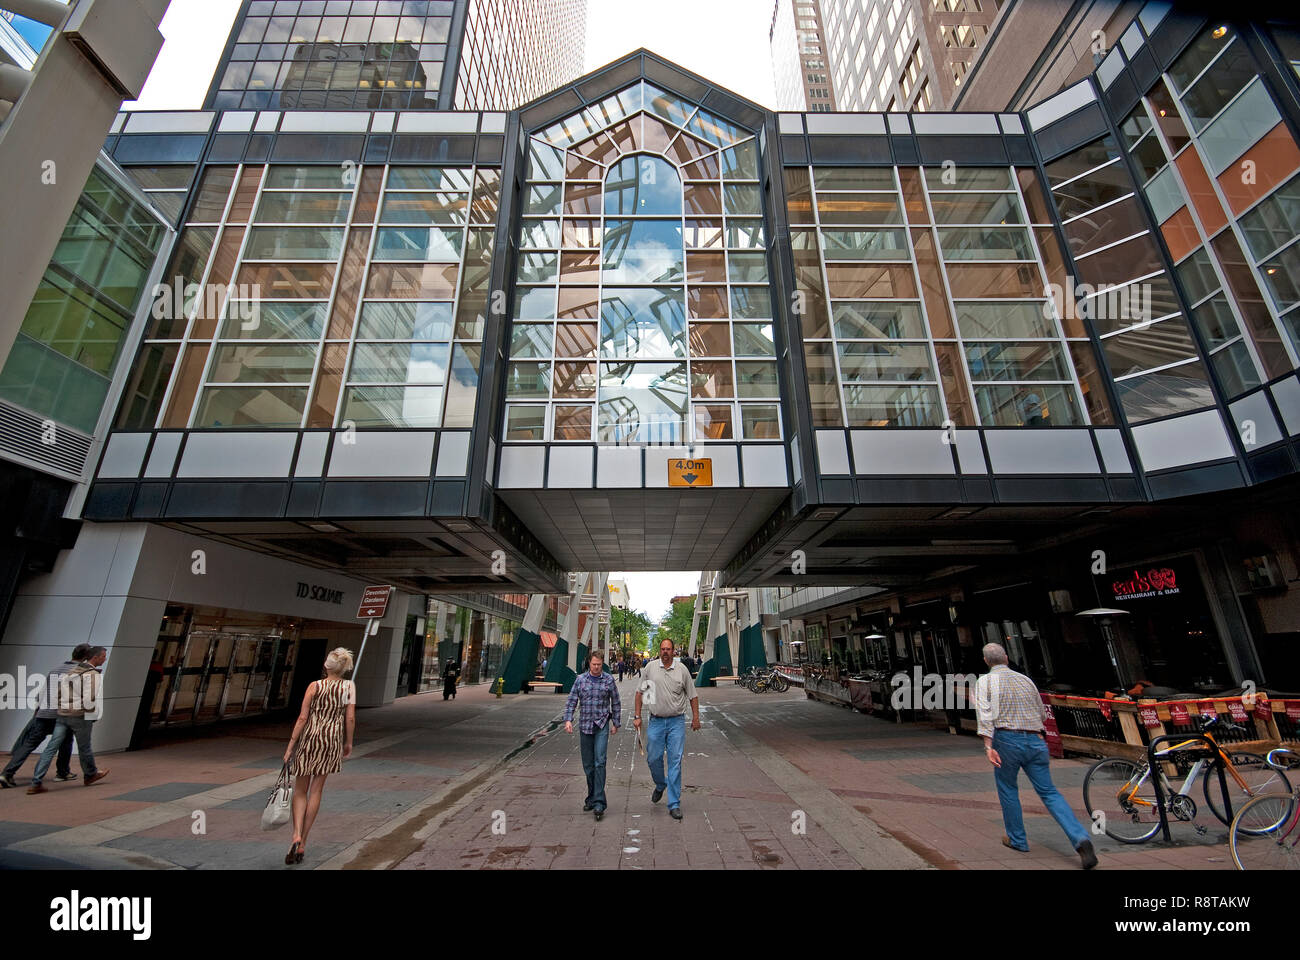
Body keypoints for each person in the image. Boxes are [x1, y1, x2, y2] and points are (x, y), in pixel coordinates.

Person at [976, 642, 1097, 869]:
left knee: (1008, 789)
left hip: (1006, 739)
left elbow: (985, 714)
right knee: (1049, 792)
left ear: (986, 661)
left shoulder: (985, 682)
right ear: (1006, 658)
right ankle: (1080, 839)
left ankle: (1017, 839)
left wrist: (988, 745)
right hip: (1034, 740)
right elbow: (1041, 713)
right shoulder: (1026, 680)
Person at [282, 647, 356, 865]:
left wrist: (290, 746)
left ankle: (295, 833)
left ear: (327, 665)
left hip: (310, 737)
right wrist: (348, 742)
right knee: (316, 790)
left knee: (300, 790)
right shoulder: (348, 686)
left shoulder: (314, 686)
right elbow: (349, 717)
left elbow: (303, 717)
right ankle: (303, 841)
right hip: (331, 739)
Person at [0, 645, 87, 788]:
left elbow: (43, 693)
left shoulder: (55, 670)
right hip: (61, 714)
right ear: (85, 657)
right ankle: (62, 772)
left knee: (29, 744)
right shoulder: (79, 672)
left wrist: (38, 711)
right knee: (66, 741)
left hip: (43, 713)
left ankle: (7, 773)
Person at [27, 646, 110, 794]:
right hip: (79, 716)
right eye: (103, 656)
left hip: (63, 714)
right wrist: (91, 716)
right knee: (85, 747)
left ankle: (36, 782)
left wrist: (62, 707)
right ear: (95, 657)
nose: (105, 659)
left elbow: (58, 694)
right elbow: (89, 698)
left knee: (51, 748)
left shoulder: (72, 672)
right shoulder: (92, 675)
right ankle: (90, 774)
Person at [634, 639, 700, 821]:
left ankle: (674, 804)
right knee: (653, 757)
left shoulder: (682, 670)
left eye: (668, 649)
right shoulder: (651, 669)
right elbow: (641, 693)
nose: (665, 652)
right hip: (656, 721)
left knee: (675, 761)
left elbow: (692, 695)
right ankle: (660, 784)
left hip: (676, 722)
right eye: (662, 649)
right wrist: (637, 716)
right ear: (659, 650)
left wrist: (695, 717)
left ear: (673, 652)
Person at [563, 650, 621, 821]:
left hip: (602, 725)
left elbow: (616, 701)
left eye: (599, 664)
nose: (596, 667)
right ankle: (591, 796)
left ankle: (599, 803)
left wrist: (616, 722)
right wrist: (568, 719)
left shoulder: (609, 680)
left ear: (602, 663)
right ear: (589, 663)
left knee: (600, 762)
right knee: (588, 765)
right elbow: (572, 700)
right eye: (594, 664)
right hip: (585, 725)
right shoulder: (580, 680)